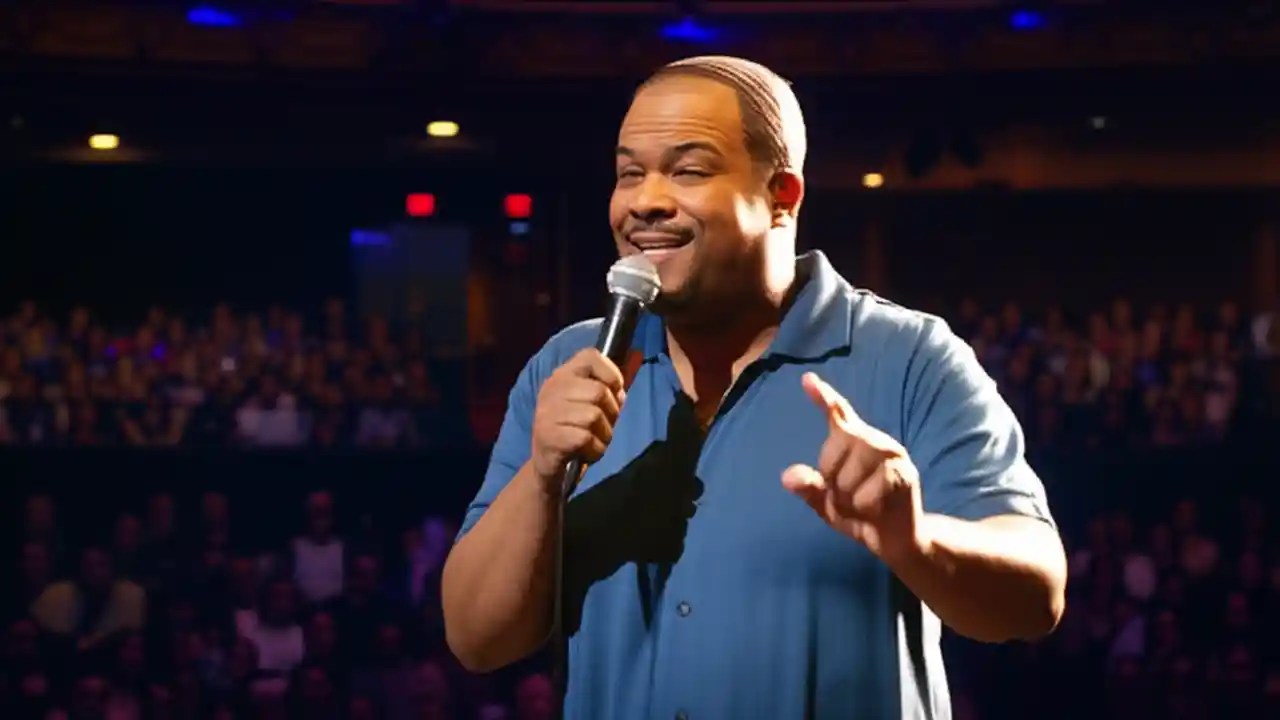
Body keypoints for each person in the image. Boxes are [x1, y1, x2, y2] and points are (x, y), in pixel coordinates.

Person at [442, 55, 1067, 719]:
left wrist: (913, 539)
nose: (646, 200)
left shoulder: (910, 357)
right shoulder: (567, 364)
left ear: (782, 197)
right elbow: (477, 640)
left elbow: (1036, 597)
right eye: (629, 173)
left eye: (687, 170)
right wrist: (542, 475)